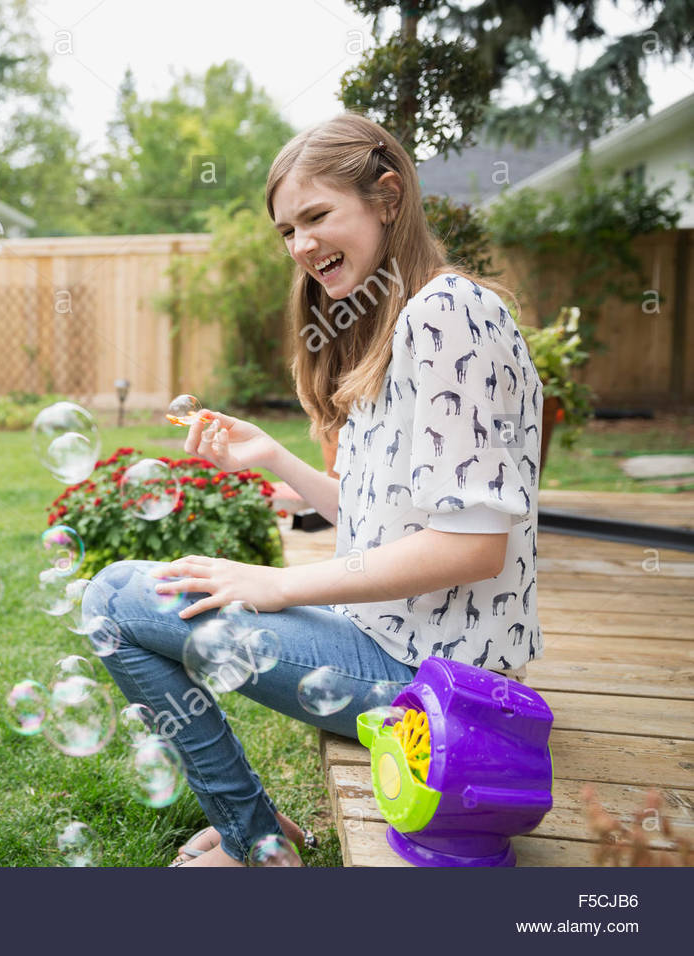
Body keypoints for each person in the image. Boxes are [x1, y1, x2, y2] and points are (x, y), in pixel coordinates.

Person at [81, 112, 544, 868]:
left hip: (435, 687)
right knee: (125, 596)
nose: (299, 246)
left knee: (111, 602)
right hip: (392, 645)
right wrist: (279, 464)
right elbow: (392, 520)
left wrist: (272, 584)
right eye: (286, 231)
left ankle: (257, 844)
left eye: (317, 217)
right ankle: (257, 834)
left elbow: (471, 546)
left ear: (388, 197)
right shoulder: (400, 320)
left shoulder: (447, 314)